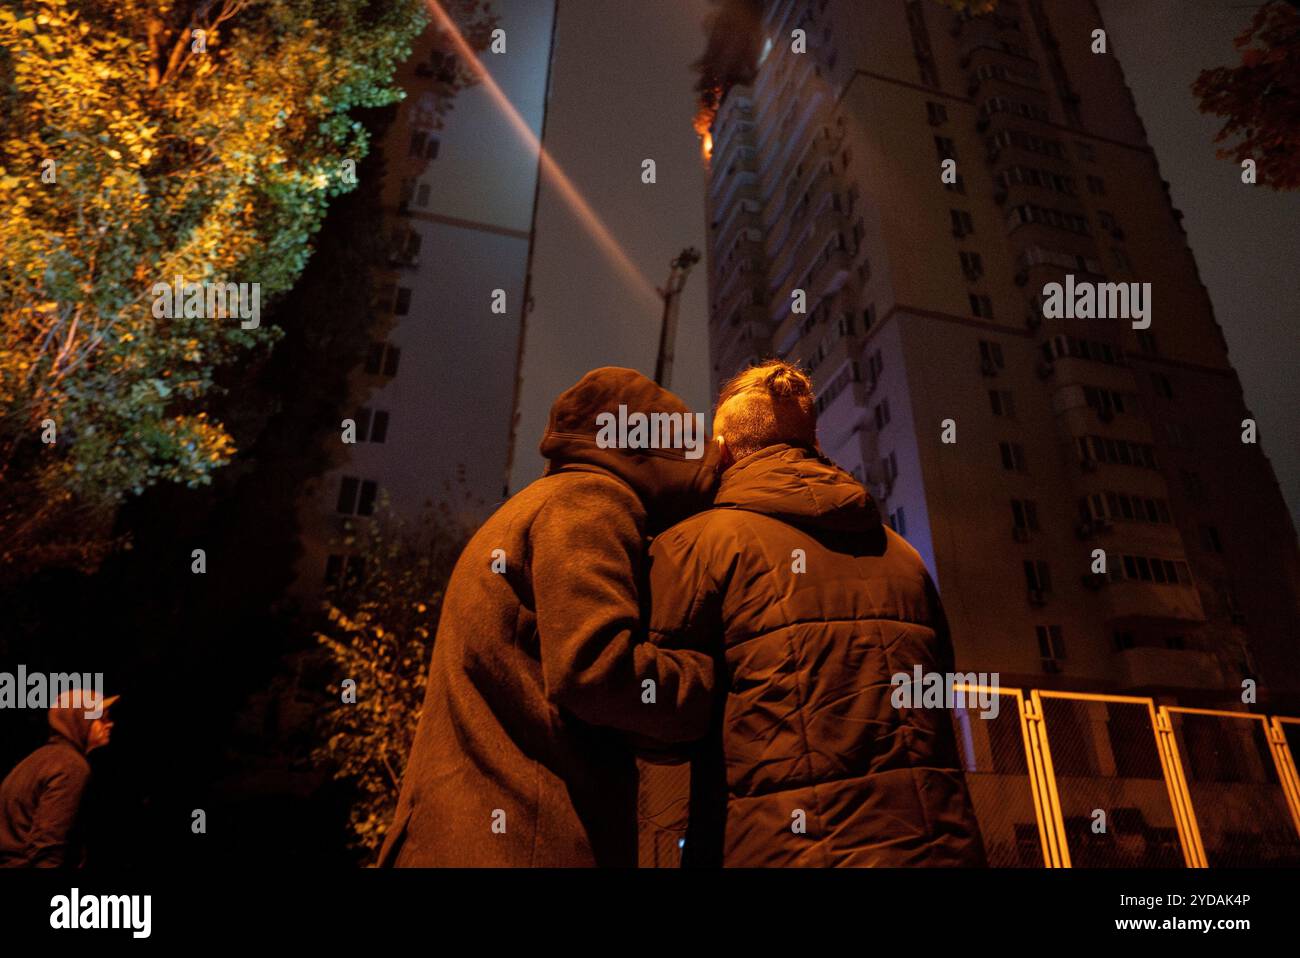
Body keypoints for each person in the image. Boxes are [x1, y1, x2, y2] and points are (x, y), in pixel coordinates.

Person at [647, 360, 987, 866]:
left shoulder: (697, 547)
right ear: (816, 442)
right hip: (936, 848)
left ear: (720, 452)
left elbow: (657, 717)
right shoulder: (904, 556)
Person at [378, 367, 720, 867]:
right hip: (522, 844)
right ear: (642, 451)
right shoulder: (590, 502)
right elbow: (596, 670)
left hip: (466, 838)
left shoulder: (533, 507)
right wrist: (716, 686)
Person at [0, 689, 118, 867]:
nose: (110, 724)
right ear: (79, 721)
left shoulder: (35, 760)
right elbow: (48, 846)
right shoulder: (71, 766)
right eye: (101, 718)